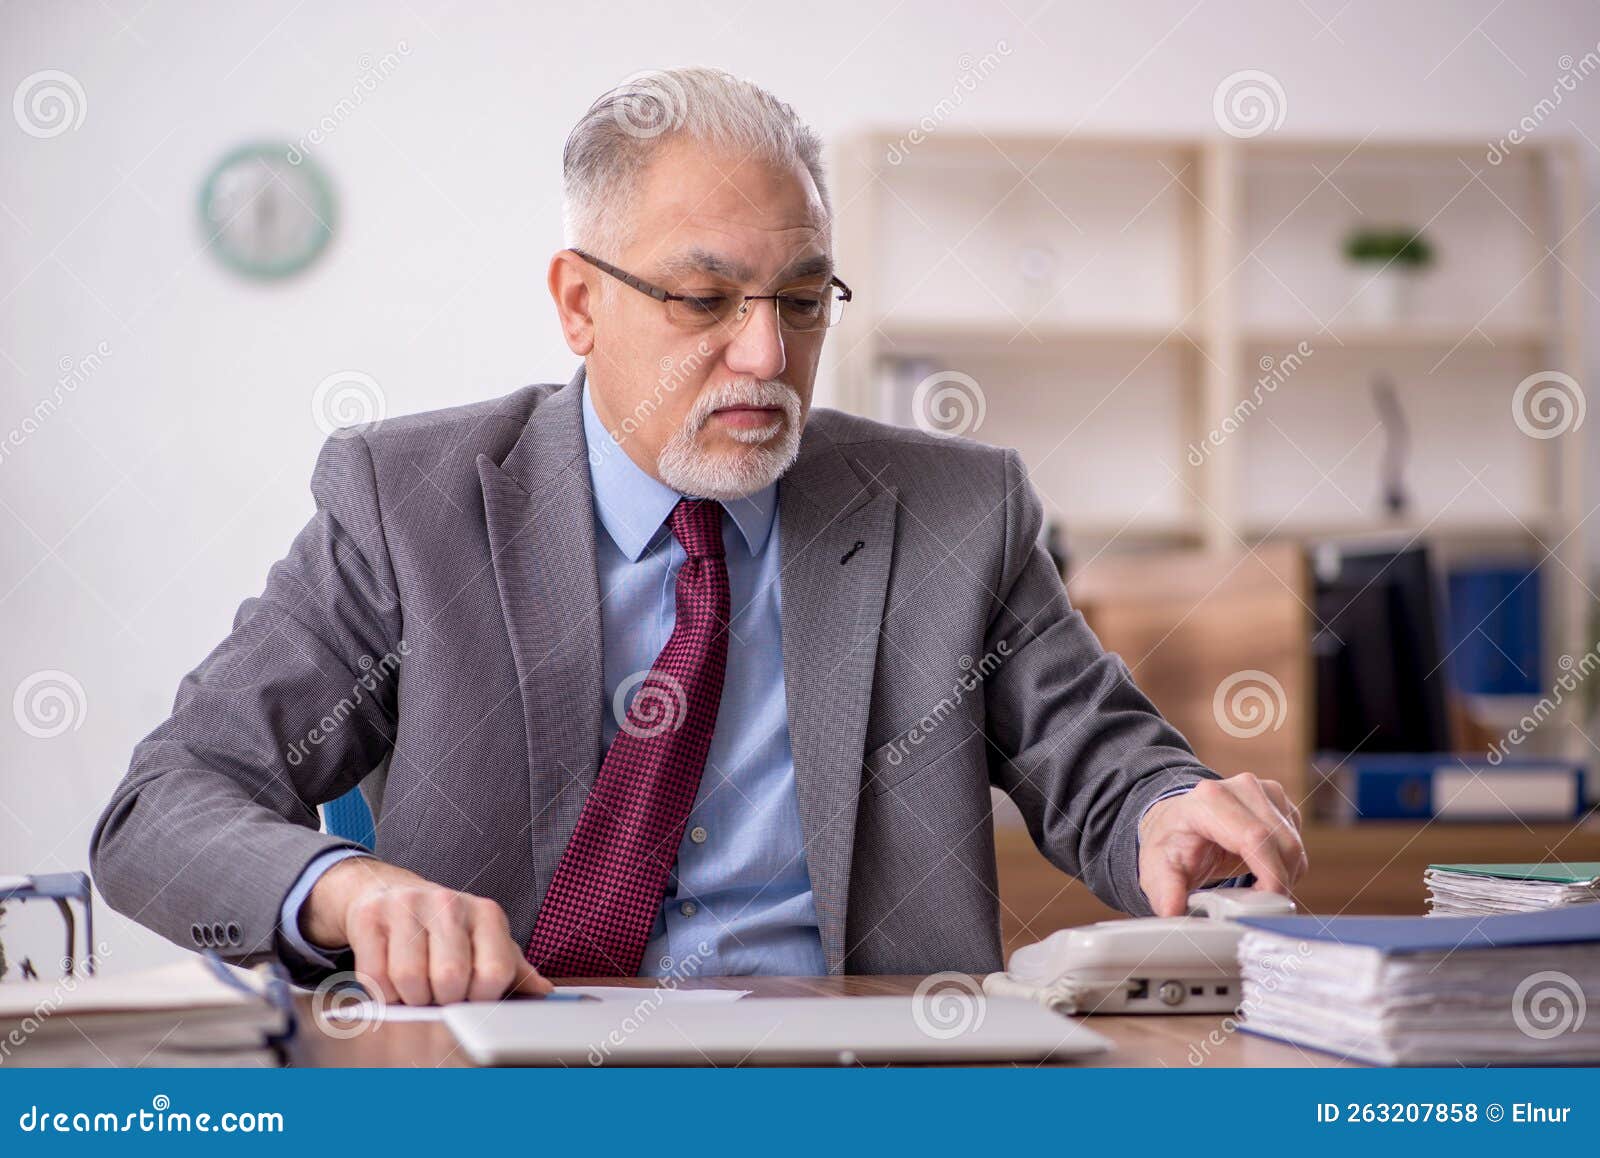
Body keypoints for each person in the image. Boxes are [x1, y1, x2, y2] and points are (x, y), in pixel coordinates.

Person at [92, 67, 1306, 1007]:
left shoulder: (952, 513)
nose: (766, 356)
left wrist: (1165, 809)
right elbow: (166, 804)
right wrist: (344, 891)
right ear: (579, 302)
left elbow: (1100, 766)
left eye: (797, 299)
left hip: (865, 1081)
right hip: (511, 1072)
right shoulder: (407, 503)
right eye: (703, 298)